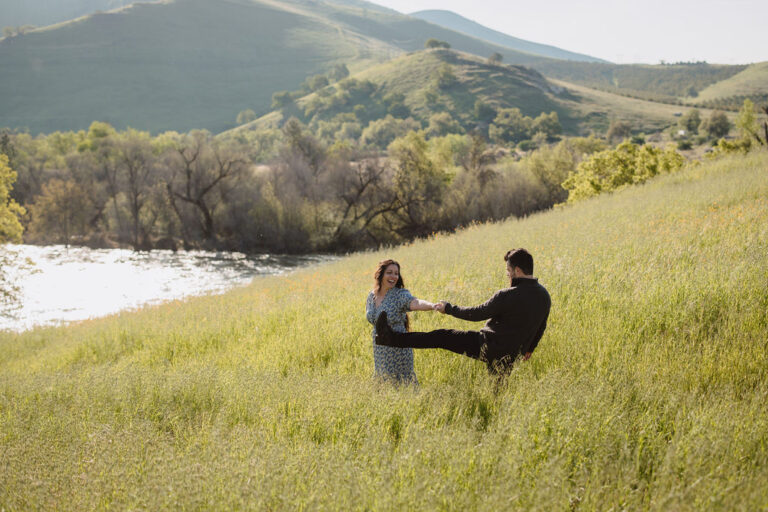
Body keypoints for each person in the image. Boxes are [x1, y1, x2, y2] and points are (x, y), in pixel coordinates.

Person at [375, 248, 550, 375]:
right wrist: (530, 348)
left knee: (441, 336)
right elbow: (541, 326)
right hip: (512, 354)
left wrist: (449, 308)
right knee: (498, 387)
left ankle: (390, 338)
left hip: (487, 346)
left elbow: (478, 313)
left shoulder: (508, 295)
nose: (508, 277)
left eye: (508, 272)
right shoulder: (544, 296)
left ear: (517, 271)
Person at [365, 259, 437, 383]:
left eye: (396, 273)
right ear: (381, 274)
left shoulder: (400, 295)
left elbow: (415, 302)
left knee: (402, 384)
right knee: (383, 382)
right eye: (389, 272)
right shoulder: (371, 296)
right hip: (380, 348)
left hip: (398, 346)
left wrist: (432, 306)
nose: (393, 276)